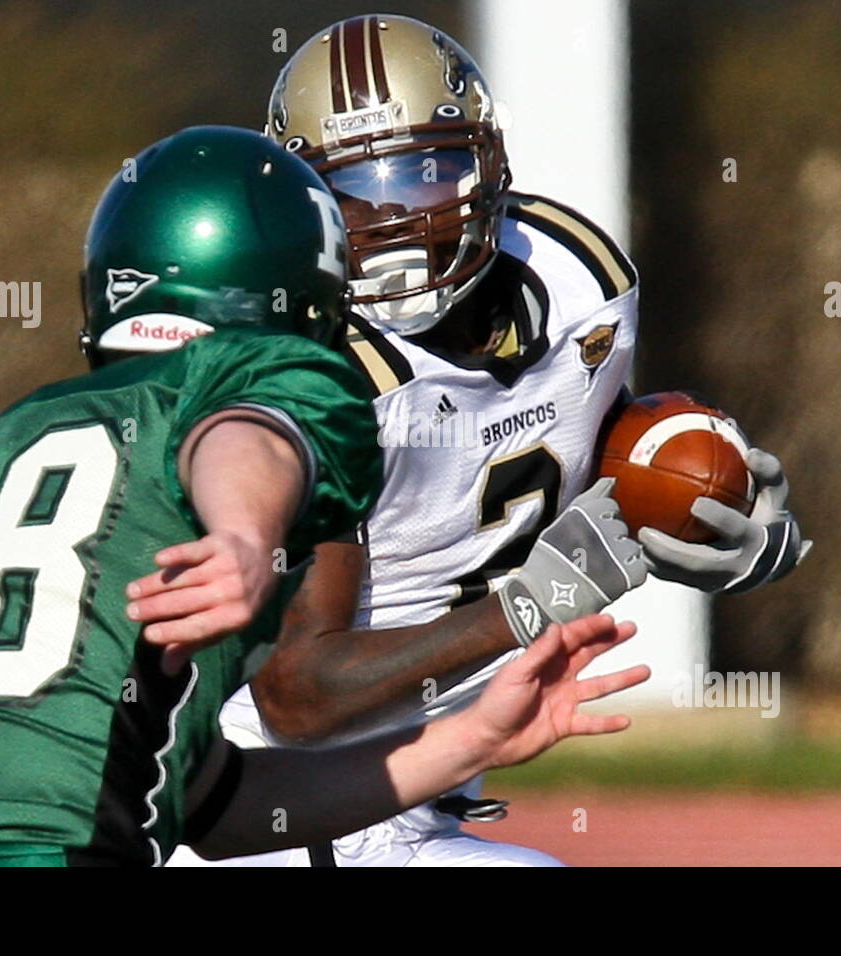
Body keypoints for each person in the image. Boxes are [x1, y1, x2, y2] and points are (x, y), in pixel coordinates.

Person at [0, 125, 648, 867]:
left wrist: (467, 737)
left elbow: (209, 808)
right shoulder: (268, 382)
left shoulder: (4, 438)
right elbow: (247, 426)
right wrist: (247, 534)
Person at [158, 17, 807, 868]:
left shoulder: (580, 277)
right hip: (254, 812)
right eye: (352, 189)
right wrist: (527, 608)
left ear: (488, 163)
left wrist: (698, 502)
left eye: (424, 172)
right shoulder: (320, 376)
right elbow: (296, 695)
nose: (391, 217)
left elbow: (560, 440)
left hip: (415, 807)